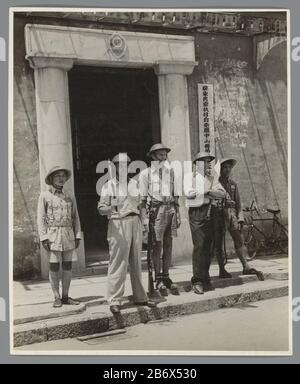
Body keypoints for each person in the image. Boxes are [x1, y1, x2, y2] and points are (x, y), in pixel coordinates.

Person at [98, 153, 156, 314]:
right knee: (118, 262)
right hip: (118, 223)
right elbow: (101, 208)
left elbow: (142, 205)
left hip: (135, 222)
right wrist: (111, 207)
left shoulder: (135, 184)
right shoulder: (108, 186)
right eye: (119, 165)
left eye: (125, 165)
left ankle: (140, 296)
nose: (122, 168)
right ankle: (115, 299)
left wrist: (144, 225)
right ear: (114, 167)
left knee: (136, 261)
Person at [139, 144, 181, 297]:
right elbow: (142, 200)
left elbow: (176, 196)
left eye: (165, 155)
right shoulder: (146, 174)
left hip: (170, 209)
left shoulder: (171, 173)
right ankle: (157, 277)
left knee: (169, 244)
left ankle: (166, 275)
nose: (163, 157)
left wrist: (178, 213)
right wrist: (144, 221)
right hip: (156, 212)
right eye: (160, 155)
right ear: (153, 156)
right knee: (157, 245)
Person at [37, 166, 82, 308]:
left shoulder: (70, 195)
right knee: (54, 266)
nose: (61, 178)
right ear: (51, 179)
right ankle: (56, 296)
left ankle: (65, 296)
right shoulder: (45, 195)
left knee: (68, 265)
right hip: (53, 236)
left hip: (68, 235)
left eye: (63, 176)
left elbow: (75, 217)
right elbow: (41, 218)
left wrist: (77, 235)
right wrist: (44, 237)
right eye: (57, 176)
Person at [216, 158, 264, 281]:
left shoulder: (233, 184)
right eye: (224, 167)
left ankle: (245, 265)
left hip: (232, 214)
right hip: (220, 214)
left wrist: (240, 218)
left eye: (229, 168)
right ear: (220, 169)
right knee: (219, 243)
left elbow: (238, 203)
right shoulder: (216, 183)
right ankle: (222, 268)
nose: (227, 170)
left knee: (239, 239)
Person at [184, 152, 225, 294]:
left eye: (209, 161)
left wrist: (205, 191)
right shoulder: (190, 177)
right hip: (197, 212)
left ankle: (205, 276)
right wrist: (209, 191)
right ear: (197, 163)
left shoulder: (212, 177)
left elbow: (222, 193)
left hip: (211, 211)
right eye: (205, 161)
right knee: (199, 246)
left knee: (209, 245)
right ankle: (197, 280)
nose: (208, 164)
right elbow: (189, 193)